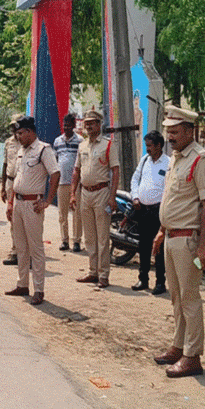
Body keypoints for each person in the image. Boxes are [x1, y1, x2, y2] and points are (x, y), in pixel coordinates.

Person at [152, 105, 205, 378]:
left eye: (175, 131)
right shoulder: (176, 158)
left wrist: (204, 244)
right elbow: (171, 200)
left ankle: (193, 356)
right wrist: (161, 230)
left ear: (190, 131)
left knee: (190, 299)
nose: (170, 136)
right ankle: (178, 346)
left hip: (188, 240)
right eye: (168, 131)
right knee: (177, 297)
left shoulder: (201, 160)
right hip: (170, 236)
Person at [4, 116, 60, 306]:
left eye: (20, 133)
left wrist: (48, 200)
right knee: (21, 246)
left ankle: (38, 290)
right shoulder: (22, 151)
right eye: (17, 133)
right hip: (18, 202)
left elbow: (55, 174)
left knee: (35, 248)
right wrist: (11, 203)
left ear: (29, 132)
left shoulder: (43, 149)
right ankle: (22, 284)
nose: (18, 137)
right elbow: (17, 178)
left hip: (33, 205)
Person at [70, 109, 119, 289]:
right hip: (85, 193)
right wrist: (73, 193)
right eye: (86, 123)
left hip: (102, 192)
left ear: (99, 125)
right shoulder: (82, 145)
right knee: (89, 236)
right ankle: (92, 272)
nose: (88, 126)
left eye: (92, 123)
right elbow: (76, 170)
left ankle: (104, 274)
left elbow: (115, 170)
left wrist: (112, 197)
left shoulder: (108, 145)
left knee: (102, 236)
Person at [130, 131, 169, 294]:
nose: (147, 149)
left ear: (159, 145)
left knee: (159, 248)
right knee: (143, 247)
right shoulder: (145, 160)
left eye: (150, 146)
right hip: (143, 210)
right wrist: (135, 197)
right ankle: (143, 279)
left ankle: (160, 283)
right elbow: (134, 179)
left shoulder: (168, 163)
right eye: (146, 146)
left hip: (158, 212)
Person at [53, 113, 83, 252]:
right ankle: (64, 240)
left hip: (76, 183)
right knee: (62, 213)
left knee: (77, 213)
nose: (67, 128)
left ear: (74, 125)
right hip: (61, 182)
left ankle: (77, 241)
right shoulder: (57, 141)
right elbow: (55, 161)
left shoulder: (80, 141)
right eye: (65, 125)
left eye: (69, 125)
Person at [0, 115, 21, 265]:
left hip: (24, 184)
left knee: (24, 219)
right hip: (10, 182)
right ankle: (15, 251)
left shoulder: (28, 142)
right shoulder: (9, 142)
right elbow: (5, 165)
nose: (14, 129)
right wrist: (2, 187)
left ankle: (26, 253)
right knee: (12, 218)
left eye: (17, 125)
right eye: (13, 126)